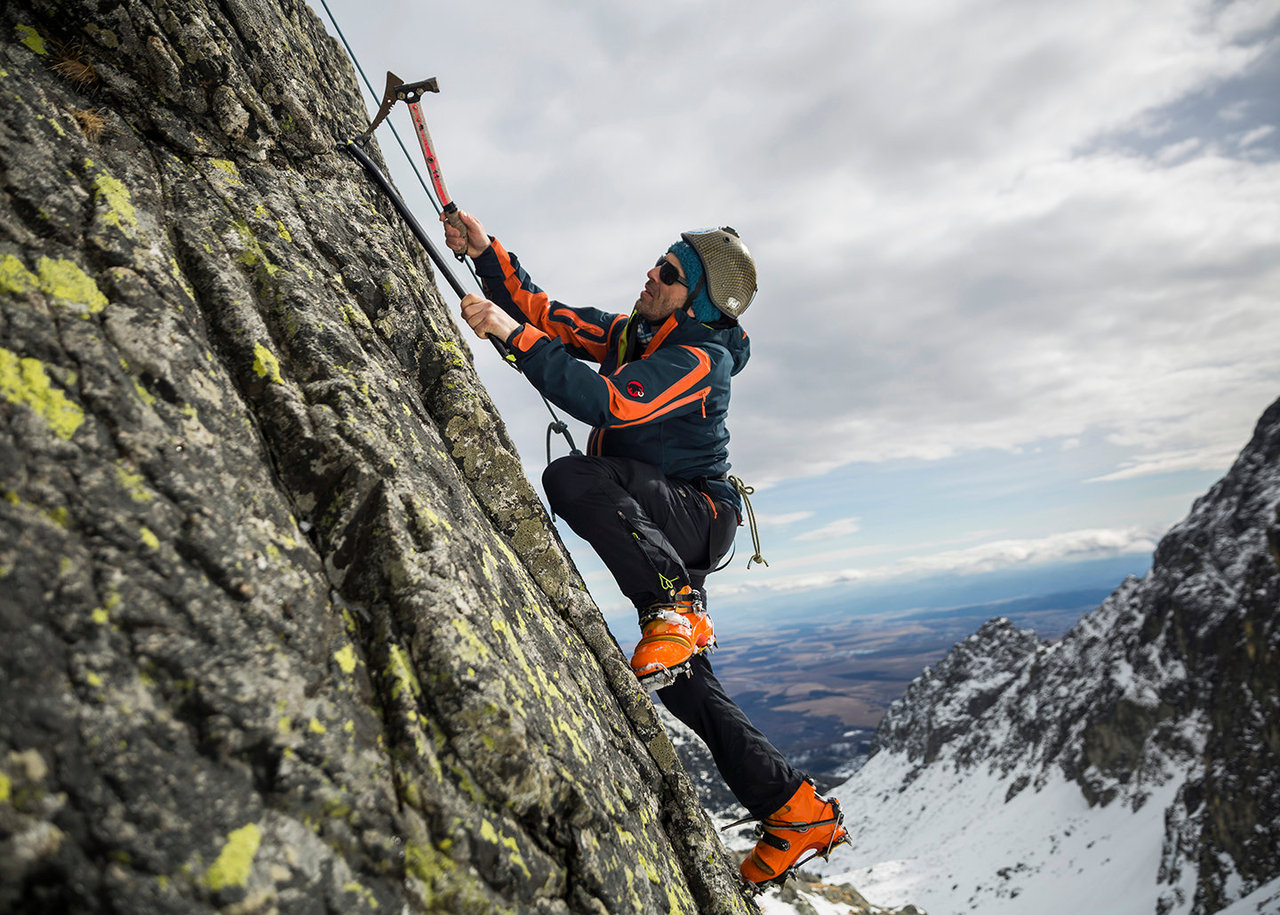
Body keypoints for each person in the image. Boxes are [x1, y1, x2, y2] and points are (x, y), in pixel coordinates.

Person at [443, 211, 847, 886]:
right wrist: (487, 254)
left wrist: (510, 337)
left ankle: (673, 605)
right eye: (656, 263)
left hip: (694, 516)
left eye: (668, 274)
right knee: (684, 687)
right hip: (664, 516)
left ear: (698, 298)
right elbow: (551, 314)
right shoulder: (635, 333)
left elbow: (611, 404)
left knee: (574, 476)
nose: (651, 276)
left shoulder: (699, 358)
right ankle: (795, 809)